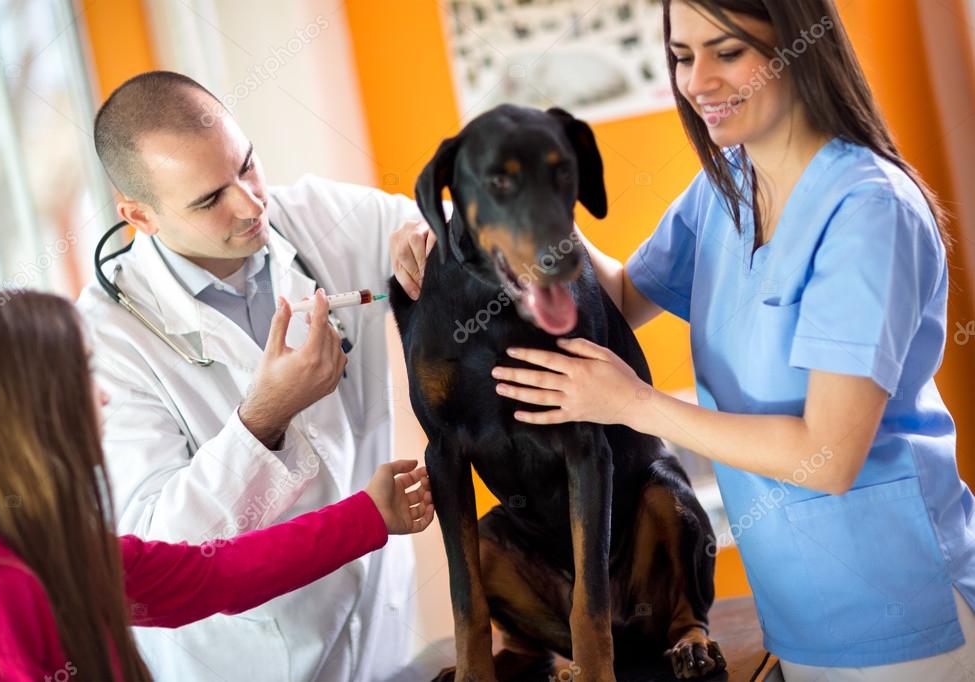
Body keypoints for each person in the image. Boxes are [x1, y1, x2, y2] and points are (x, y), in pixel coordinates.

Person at [403, 1, 975, 679]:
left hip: (903, 616)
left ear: (796, 47)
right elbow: (614, 295)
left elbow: (826, 457)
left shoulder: (866, 212)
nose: (697, 79)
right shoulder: (725, 189)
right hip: (793, 617)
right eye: (680, 56)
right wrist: (504, 218)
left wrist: (635, 404)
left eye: (727, 52)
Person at [77, 71, 435, 681]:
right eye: (209, 198)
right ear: (141, 215)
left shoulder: (320, 216)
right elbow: (158, 558)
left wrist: (431, 238)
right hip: (243, 660)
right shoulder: (103, 342)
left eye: (246, 166)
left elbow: (480, 238)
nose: (250, 204)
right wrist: (263, 416)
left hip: (380, 630)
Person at [0, 291, 434, 682]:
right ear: (19, 413)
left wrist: (367, 515)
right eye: (79, 374)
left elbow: (217, 575)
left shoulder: (60, 551)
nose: (100, 395)